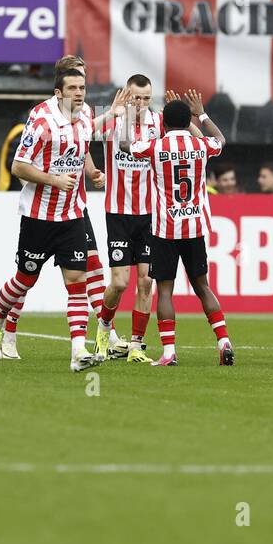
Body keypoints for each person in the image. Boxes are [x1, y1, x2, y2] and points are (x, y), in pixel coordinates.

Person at [0, 68, 104, 371]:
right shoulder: (40, 122)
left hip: (72, 213)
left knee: (77, 280)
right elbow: (18, 167)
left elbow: (83, 147)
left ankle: (79, 351)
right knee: (26, 278)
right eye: (73, 88)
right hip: (38, 215)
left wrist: (91, 172)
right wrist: (53, 180)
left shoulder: (87, 114)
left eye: (82, 87)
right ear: (58, 93)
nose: (79, 93)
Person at [125, 90, 233, 367]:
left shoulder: (156, 146)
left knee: (164, 291)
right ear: (188, 123)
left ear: (163, 124)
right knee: (202, 286)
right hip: (195, 226)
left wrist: (128, 114)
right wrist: (202, 114)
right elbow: (220, 140)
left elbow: (126, 145)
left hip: (166, 228)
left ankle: (169, 352)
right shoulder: (201, 146)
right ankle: (223, 340)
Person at [94, 74, 160, 363]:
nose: (142, 104)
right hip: (118, 212)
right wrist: (94, 171)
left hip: (149, 214)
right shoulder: (112, 118)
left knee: (146, 281)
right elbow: (80, 136)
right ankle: (103, 329)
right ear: (126, 95)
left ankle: (136, 345)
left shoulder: (159, 123)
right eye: (137, 98)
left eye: (147, 98)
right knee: (120, 283)